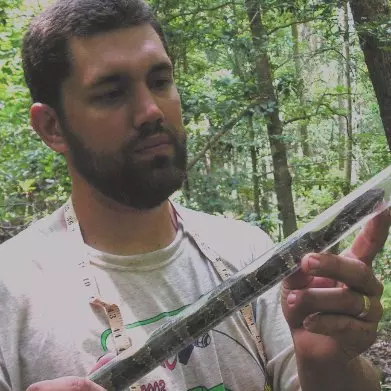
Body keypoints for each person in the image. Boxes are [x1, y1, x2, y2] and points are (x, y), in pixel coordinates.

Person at [0, 0, 388, 390]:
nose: (151, 110)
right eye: (111, 93)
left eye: (159, 81)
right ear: (52, 126)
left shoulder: (249, 254)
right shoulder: (12, 289)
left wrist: (331, 361)